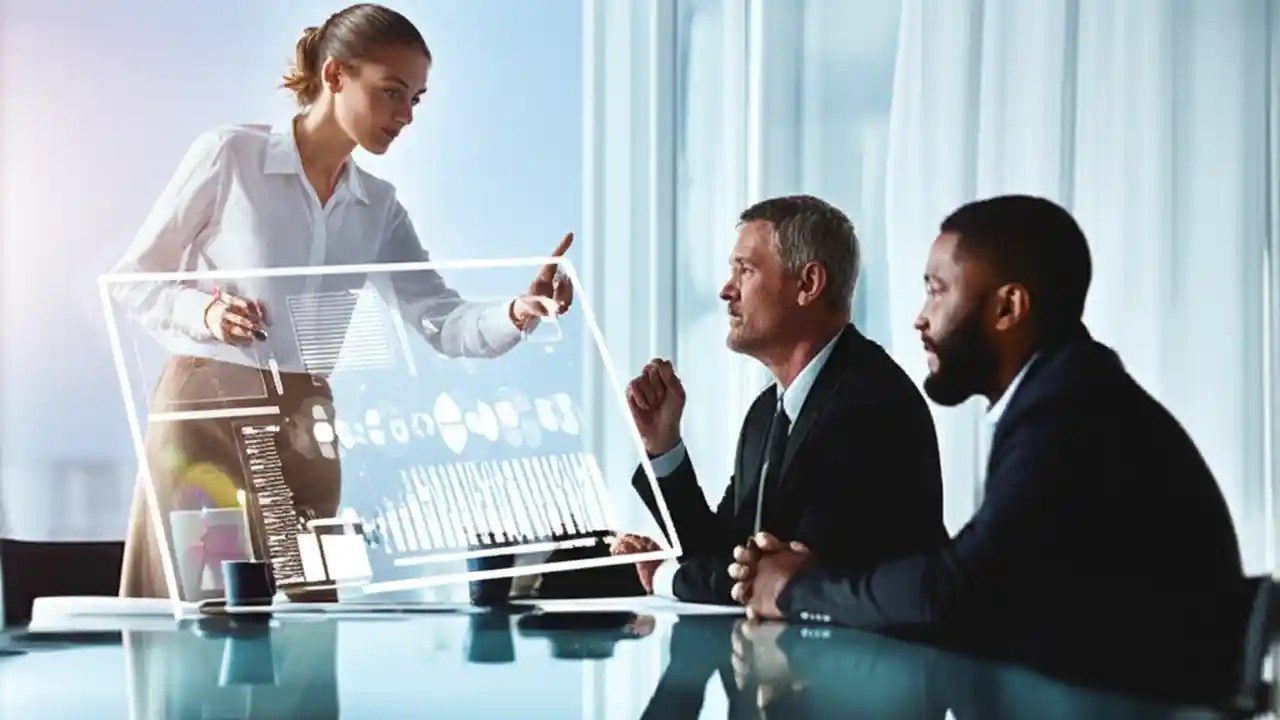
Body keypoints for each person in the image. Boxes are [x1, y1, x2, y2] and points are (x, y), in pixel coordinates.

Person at [111, 3, 574, 600]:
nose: (406, 115)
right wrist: (204, 313)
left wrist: (515, 312)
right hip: (207, 411)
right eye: (391, 92)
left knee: (311, 624)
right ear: (334, 75)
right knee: (201, 613)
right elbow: (134, 279)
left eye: (416, 99)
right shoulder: (231, 156)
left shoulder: (378, 206)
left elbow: (441, 319)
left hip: (308, 423)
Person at [729, 195, 1246, 665]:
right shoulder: (1066, 393)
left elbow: (958, 588)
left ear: (1008, 308)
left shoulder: (1069, 411)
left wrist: (797, 589)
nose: (920, 318)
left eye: (937, 292)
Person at [612, 195, 947, 603]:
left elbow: (782, 580)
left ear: (808, 284)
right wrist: (663, 445)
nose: (726, 290)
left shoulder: (869, 407)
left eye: (745, 270)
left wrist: (666, 576)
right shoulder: (765, 412)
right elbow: (725, 553)